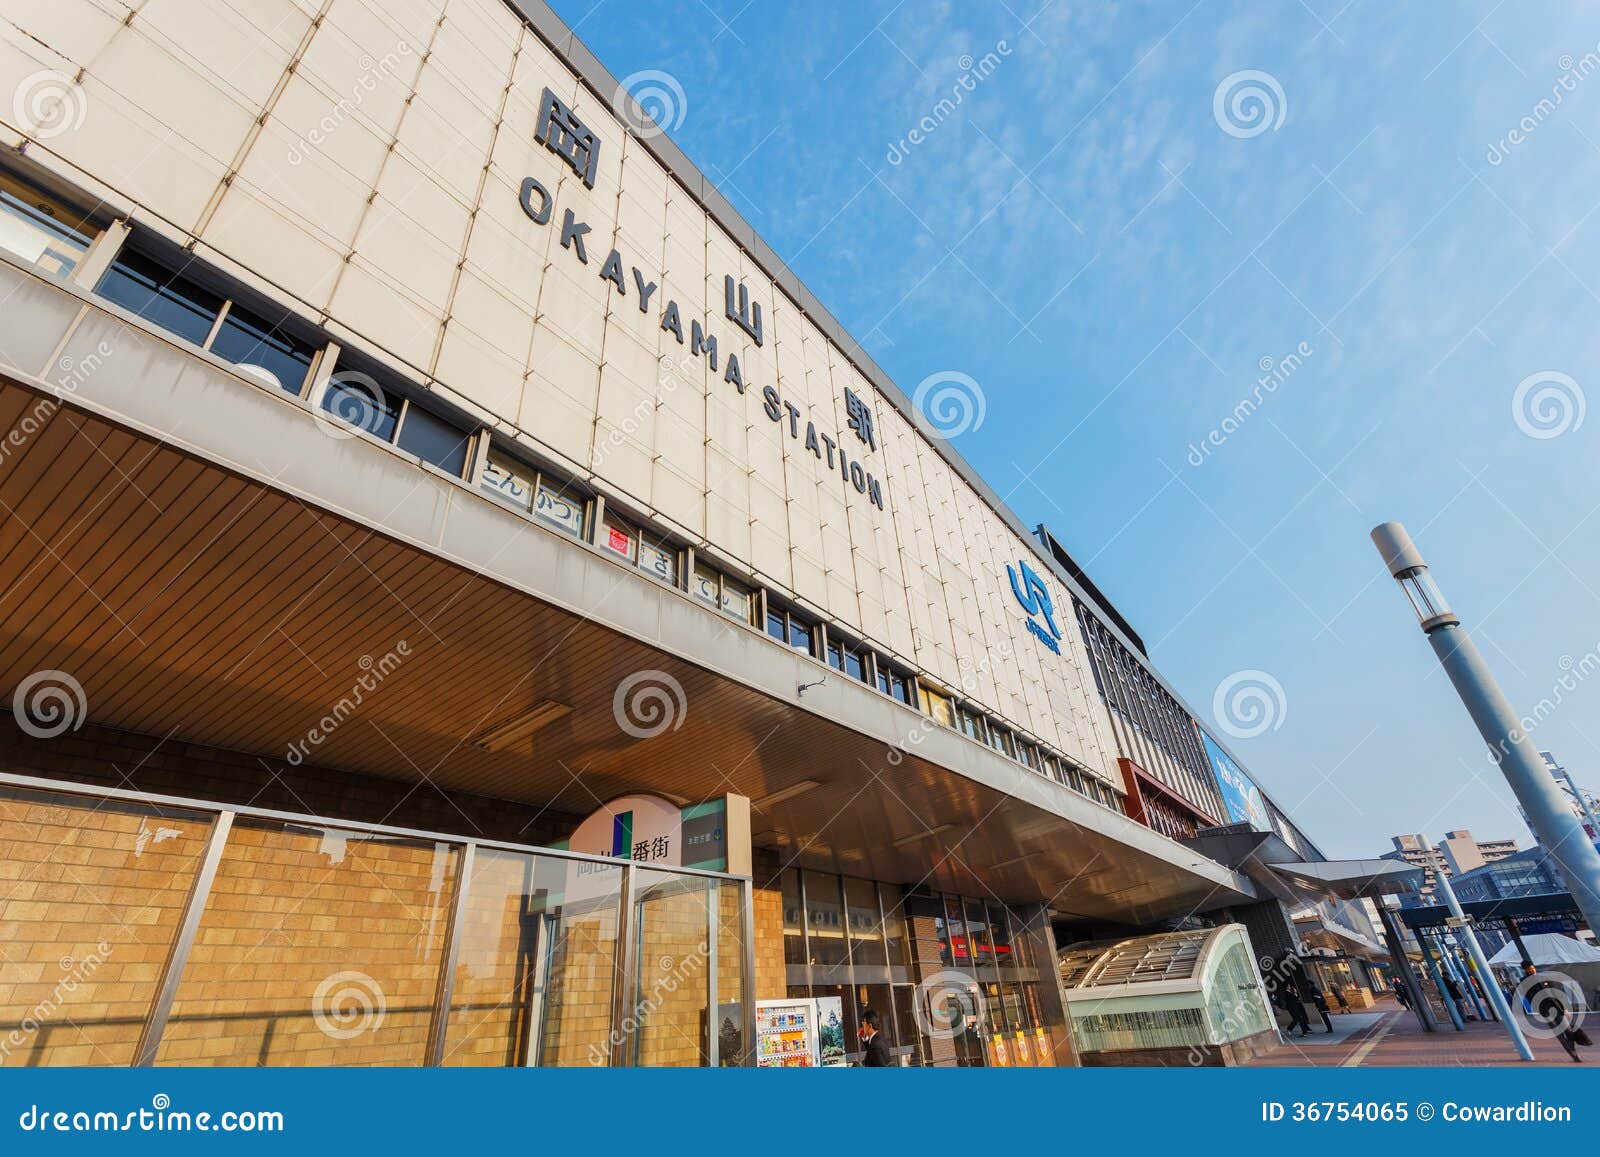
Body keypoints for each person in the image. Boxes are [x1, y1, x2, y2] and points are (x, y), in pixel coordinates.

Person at [1521, 961, 1587, 1063]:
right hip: (1545, 1010)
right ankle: (1574, 1055)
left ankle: (1573, 1050)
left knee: (1568, 1030)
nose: (1532, 970)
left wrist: (1565, 1008)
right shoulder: (1524, 982)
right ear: (1525, 970)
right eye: (1529, 970)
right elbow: (1529, 997)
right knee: (1559, 1033)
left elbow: (1557, 993)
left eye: (1533, 968)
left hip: (1556, 1007)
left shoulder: (1543, 977)